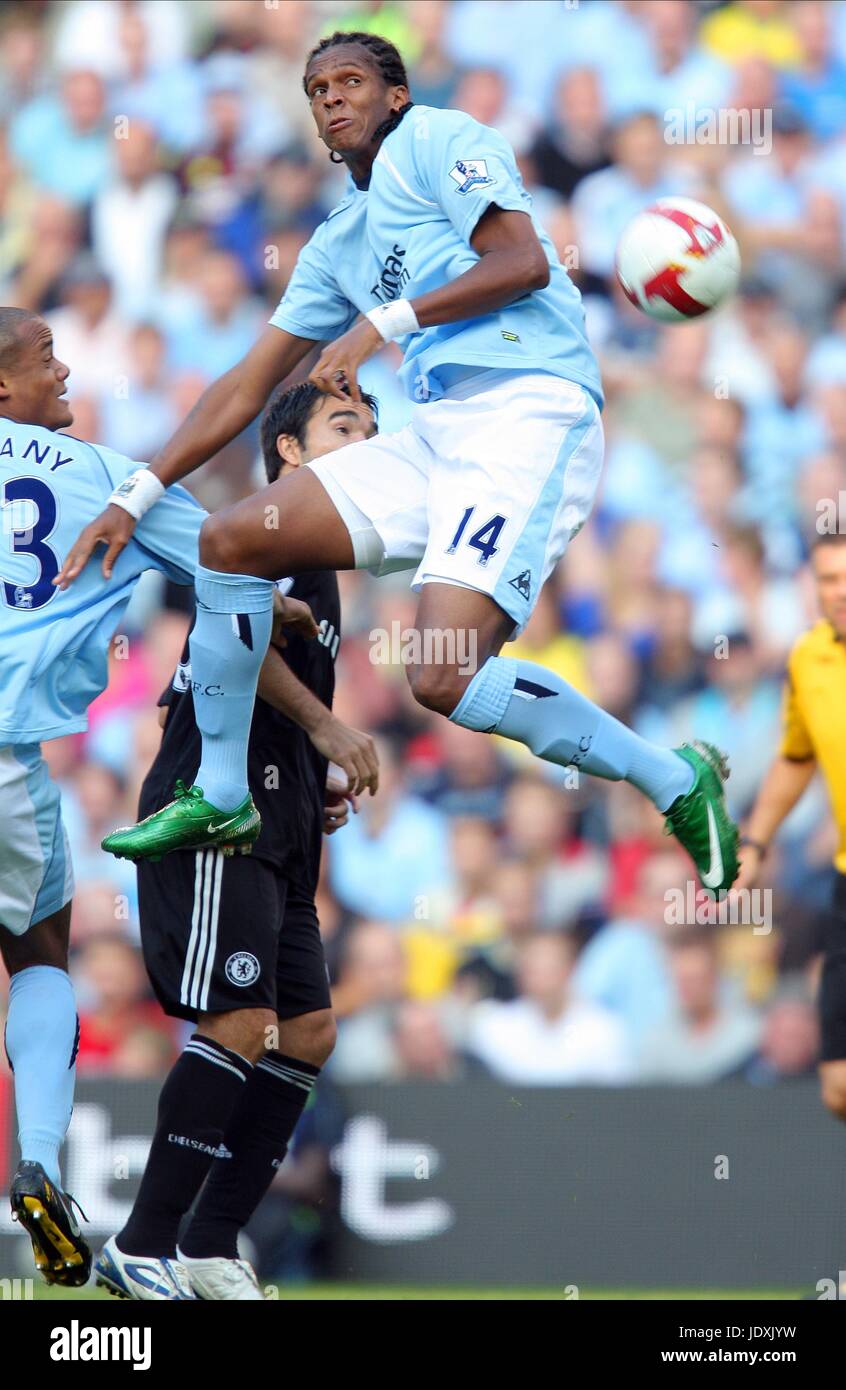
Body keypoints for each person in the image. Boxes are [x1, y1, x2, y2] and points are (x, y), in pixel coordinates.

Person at [57, 30, 739, 895]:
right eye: (316, 88)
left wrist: (383, 325)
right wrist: (138, 489)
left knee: (442, 676)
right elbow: (244, 386)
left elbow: (524, 263)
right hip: (439, 430)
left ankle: (673, 780)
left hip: (530, 408)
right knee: (227, 542)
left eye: (351, 81)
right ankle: (223, 793)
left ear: (396, 96)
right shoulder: (340, 239)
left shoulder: (440, 140)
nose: (332, 97)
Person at [0, 306, 311, 1287]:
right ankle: (40, 1165)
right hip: (8, 764)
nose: (65, 369)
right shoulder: (100, 478)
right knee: (39, 953)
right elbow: (228, 560)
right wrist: (283, 605)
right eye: (44, 356)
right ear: (3, 389)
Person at [95, 383, 379, 1302]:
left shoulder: (324, 557)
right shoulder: (264, 529)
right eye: (346, 426)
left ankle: (212, 1243)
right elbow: (227, 642)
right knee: (241, 1020)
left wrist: (314, 774)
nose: (368, 441)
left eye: (374, 430)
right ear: (289, 451)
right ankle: (142, 1242)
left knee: (308, 1031)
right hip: (221, 810)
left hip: (283, 815)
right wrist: (331, 732)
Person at [733, 533, 846, 1125]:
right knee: (837, 1087)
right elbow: (797, 756)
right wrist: (755, 841)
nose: (841, 590)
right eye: (828, 579)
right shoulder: (810, 657)